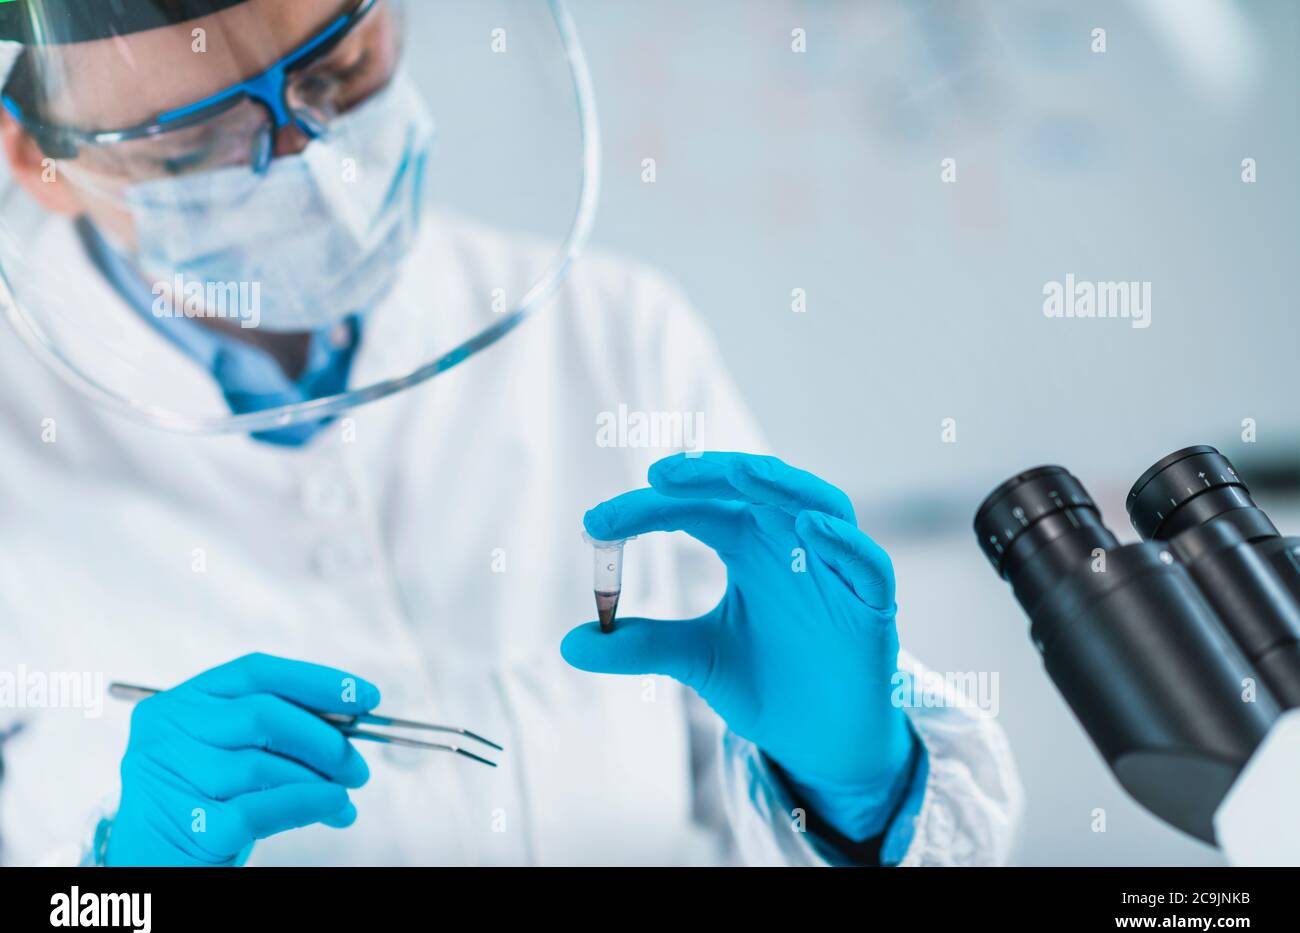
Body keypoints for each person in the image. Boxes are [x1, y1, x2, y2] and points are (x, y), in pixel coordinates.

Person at [0, 0, 1020, 866]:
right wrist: (119, 887)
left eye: (342, 74)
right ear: (35, 157)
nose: (302, 162)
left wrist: (856, 796)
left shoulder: (611, 334)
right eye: (194, 146)